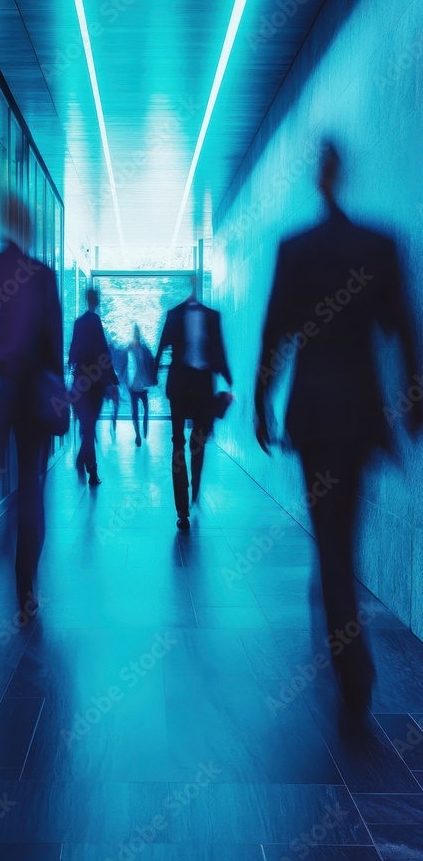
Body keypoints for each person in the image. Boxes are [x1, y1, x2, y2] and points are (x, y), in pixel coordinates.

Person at [254, 139, 422, 721]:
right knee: (340, 533)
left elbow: (275, 331)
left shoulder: (296, 249)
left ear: (314, 179)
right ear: (342, 173)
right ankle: (338, 626)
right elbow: (402, 327)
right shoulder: (378, 245)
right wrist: (411, 399)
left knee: (330, 537)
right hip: (358, 411)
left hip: (312, 411)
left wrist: (260, 400)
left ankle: (349, 657)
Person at [0, 193, 63, 615]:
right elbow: (54, 346)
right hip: (32, 393)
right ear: (30, 228)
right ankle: (25, 591)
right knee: (30, 490)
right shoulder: (41, 275)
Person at [155, 278, 232, 529]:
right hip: (179, 386)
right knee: (178, 443)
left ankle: (195, 482)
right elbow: (161, 346)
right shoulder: (174, 314)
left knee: (198, 442)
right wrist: (154, 372)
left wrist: (229, 379)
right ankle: (182, 508)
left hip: (202, 387)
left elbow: (219, 350)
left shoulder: (212, 316)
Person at [69, 288, 118, 485]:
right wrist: (112, 381)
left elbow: (73, 352)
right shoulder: (95, 322)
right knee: (90, 426)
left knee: (87, 426)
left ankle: (83, 459)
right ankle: (92, 471)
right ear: (96, 301)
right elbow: (103, 352)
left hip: (81, 381)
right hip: (95, 383)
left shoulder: (78, 323)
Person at [126, 324, 156, 446]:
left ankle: (141, 431)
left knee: (143, 410)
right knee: (136, 411)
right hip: (134, 386)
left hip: (141, 386)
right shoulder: (132, 348)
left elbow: (151, 362)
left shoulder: (143, 348)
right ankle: (138, 434)